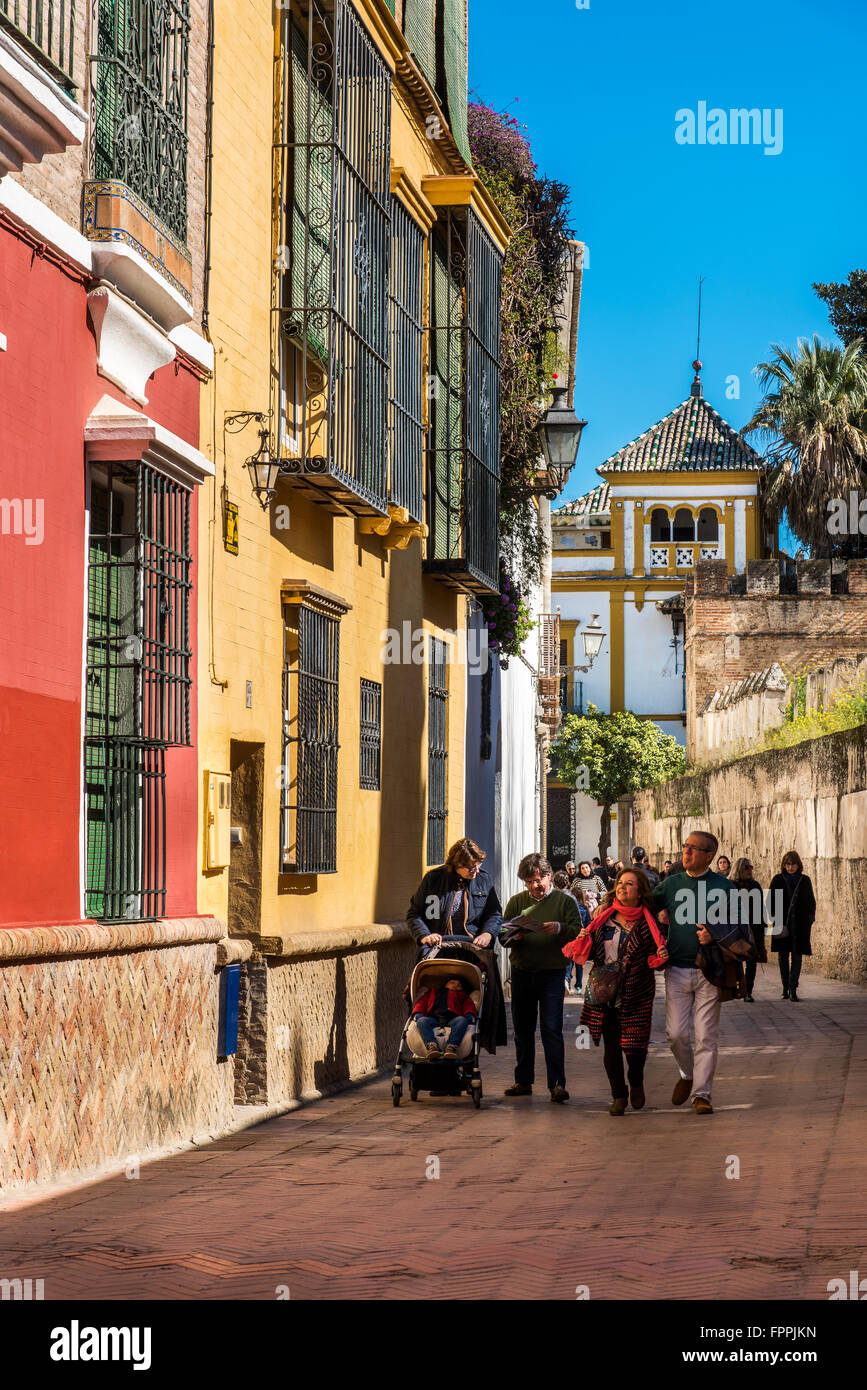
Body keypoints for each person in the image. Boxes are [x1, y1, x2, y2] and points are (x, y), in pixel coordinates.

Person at [565, 868, 668, 1114]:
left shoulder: (649, 922)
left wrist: (663, 956)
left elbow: (658, 956)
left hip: (637, 993)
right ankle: (618, 1095)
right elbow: (591, 954)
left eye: (629, 884)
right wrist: (583, 939)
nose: (622, 887)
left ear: (640, 891)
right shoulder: (603, 918)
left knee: (634, 1047)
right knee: (611, 1045)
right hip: (605, 993)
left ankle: (636, 1081)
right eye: (620, 883)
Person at [652, 829, 732, 1115]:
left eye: (693, 849)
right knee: (675, 1035)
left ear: (709, 856)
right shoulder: (671, 884)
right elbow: (645, 909)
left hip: (709, 970)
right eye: (685, 846)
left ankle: (702, 1095)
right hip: (676, 968)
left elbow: (738, 927)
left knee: (705, 1035)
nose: (686, 852)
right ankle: (688, 1074)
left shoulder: (724, 887)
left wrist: (715, 936)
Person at [502, 853, 582, 1103]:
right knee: (523, 1030)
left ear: (548, 876)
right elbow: (502, 936)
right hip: (522, 972)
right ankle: (523, 1080)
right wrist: (514, 936)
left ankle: (557, 1084)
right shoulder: (516, 902)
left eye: (537, 881)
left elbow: (578, 933)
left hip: (552, 974)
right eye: (528, 882)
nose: (533, 887)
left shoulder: (564, 902)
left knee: (551, 1029)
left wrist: (559, 928)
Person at [406, 837, 502, 950]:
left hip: (472, 947)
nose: (476, 871)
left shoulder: (483, 880)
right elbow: (415, 914)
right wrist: (425, 935)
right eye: (471, 868)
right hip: (438, 947)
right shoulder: (433, 880)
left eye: (479, 865)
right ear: (457, 865)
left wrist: (487, 934)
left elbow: (494, 914)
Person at [769, 851, 816, 1001]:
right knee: (783, 957)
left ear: (798, 865)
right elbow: (770, 900)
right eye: (788, 864)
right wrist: (774, 918)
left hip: (800, 925)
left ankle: (793, 988)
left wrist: (809, 919)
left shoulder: (804, 880)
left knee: (797, 957)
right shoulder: (777, 880)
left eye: (793, 864)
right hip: (782, 924)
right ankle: (785, 987)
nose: (790, 867)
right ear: (784, 865)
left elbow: (811, 902)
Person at [412, 975, 478, 1060]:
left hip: (453, 1018)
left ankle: (451, 1047)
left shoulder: (462, 995)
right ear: (445, 984)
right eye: (452, 983)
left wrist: (470, 1014)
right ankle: (432, 1046)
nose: (455, 985)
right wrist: (418, 1012)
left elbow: (468, 1005)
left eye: (459, 985)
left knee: (462, 1020)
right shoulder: (433, 992)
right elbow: (422, 1002)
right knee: (422, 1021)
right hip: (434, 1017)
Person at [729, 857, 767, 1001]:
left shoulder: (755, 885)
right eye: (746, 867)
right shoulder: (731, 885)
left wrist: (762, 927)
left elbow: (760, 908)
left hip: (754, 928)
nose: (749, 870)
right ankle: (736, 987)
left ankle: (748, 991)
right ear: (739, 869)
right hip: (736, 928)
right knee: (735, 960)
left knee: (752, 960)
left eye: (750, 867)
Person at [553, 872, 589, 994]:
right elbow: (576, 916)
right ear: (568, 883)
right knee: (569, 957)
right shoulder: (572, 897)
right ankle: (566, 979)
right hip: (570, 931)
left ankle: (561, 980)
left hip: (556, 931)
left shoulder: (552, 897)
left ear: (554, 884)